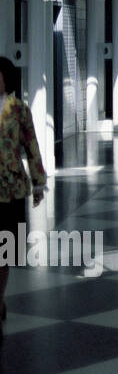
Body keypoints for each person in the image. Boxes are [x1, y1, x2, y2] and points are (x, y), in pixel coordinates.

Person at [0, 56, 47, 332]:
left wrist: (38, 183)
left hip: (12, 189)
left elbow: (32, 146)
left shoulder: (19, 110)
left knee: (4, 249)